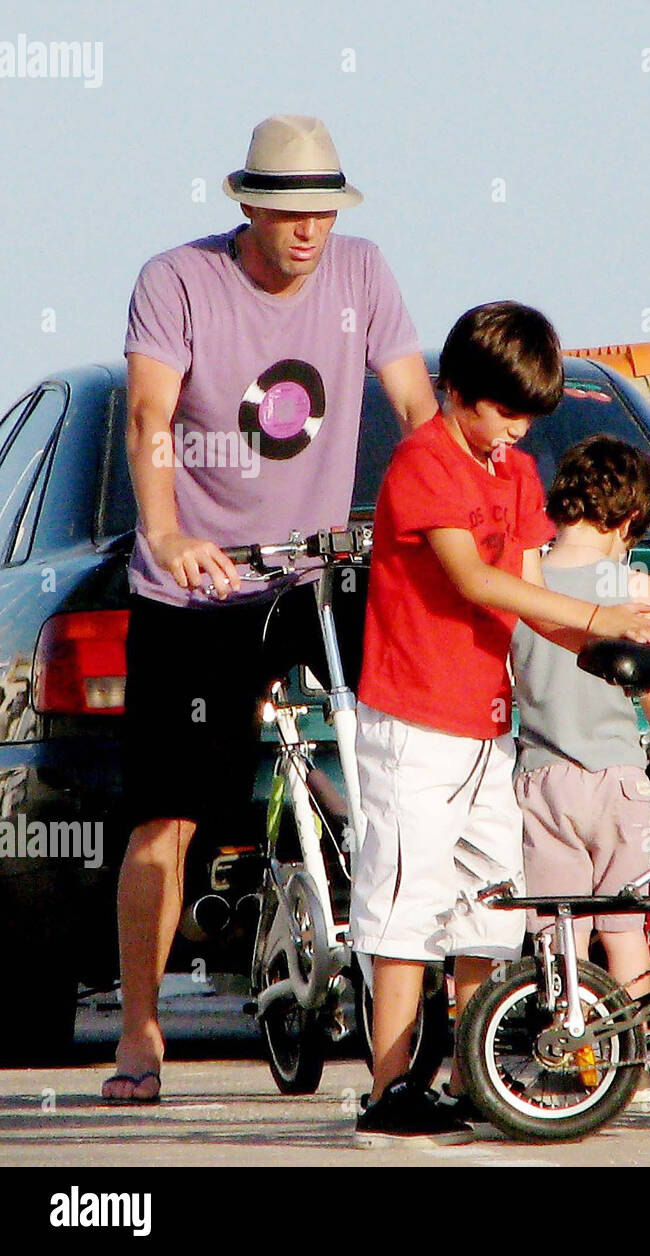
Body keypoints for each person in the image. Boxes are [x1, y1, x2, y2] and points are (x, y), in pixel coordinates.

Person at [103, 115, 437, 1104]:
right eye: (288, 211)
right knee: (168, 815)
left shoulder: (362, 274)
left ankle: (414, 1025)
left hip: (312, 573)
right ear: (247, 204)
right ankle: (139, 1029)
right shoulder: (179, 280)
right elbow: (148, 419)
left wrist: (446, 528)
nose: (307, 231)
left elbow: (417, 412)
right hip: (199, 584)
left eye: (322, 212)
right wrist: (165, 534)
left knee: (410, 769)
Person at [351, 303, 650, 1146]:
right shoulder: (424, 463)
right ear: (454, 390)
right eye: (503, 412)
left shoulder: (520, 472)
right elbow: (476, 582)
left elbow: (536, 606)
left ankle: (467, 1076)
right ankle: (389, 1092)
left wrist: (622, 645)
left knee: (490, 904)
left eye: (530, 416)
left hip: (489, 730)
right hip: (414, 723)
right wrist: (600, 617)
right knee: (405, 903)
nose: (516, 431)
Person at [509, 434, 650, 1109]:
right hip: (620, 778)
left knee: (558, 934)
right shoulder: (629, 586)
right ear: (629, 523)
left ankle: (571, 1061)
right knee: (625, 926)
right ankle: (638, 1070)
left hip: (542, 777)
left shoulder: (527, 577)